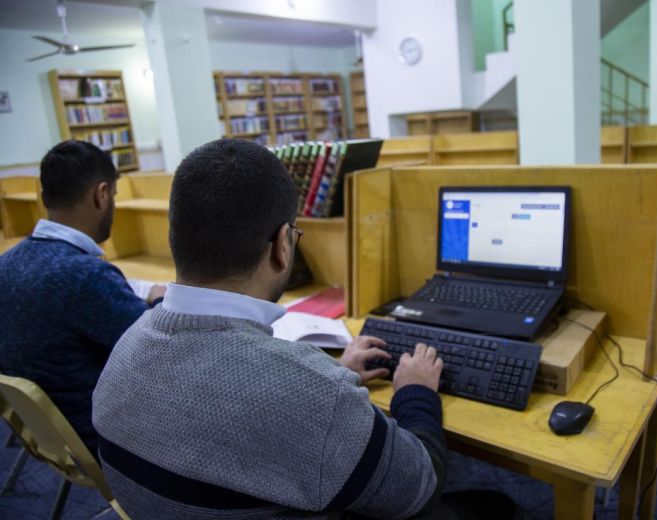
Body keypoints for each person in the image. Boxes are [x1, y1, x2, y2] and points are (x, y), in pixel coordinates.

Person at [93, 139, 448, 519]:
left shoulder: (125, 345)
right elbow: (417, 487)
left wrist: (331, 377)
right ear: (282, 245)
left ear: (175, 238)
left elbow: (223, 414)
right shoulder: (314, 396)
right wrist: (415, 393)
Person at [0, 140, 165, 455]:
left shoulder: (6, 264)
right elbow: (159, 352)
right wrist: (158, 301)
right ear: (101, 194)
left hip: (52, 439)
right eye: (114, 196)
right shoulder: (86, 276)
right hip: (113, 441)